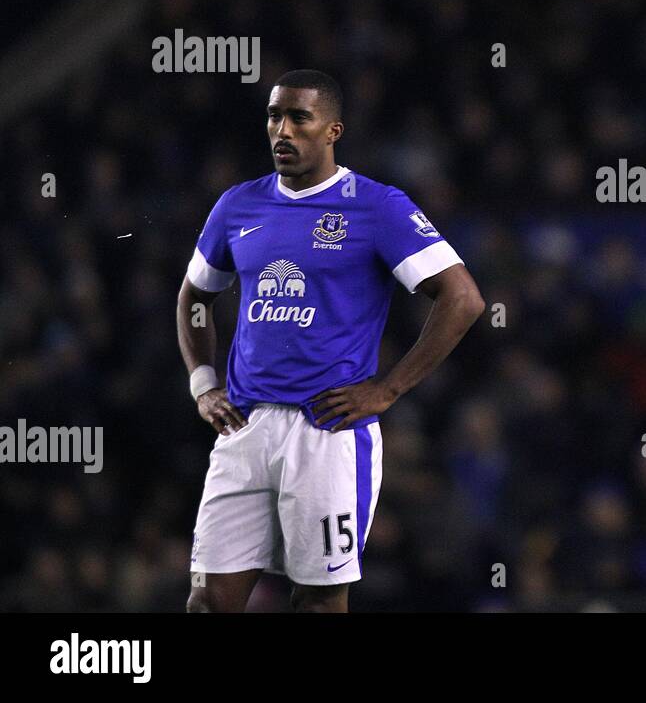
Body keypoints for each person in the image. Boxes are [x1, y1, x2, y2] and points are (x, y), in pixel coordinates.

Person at [176, 69, 485, 612]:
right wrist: (203, 383)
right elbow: (194, 298)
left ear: (332, 130)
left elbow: (462, 299)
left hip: (326, 429)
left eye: (299, 118)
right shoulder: (237, 205)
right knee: (206, 601)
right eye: (274, 116)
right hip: (244, 426)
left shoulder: (377, 206)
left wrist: (388, 390)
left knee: (318, 601)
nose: (283, 131)